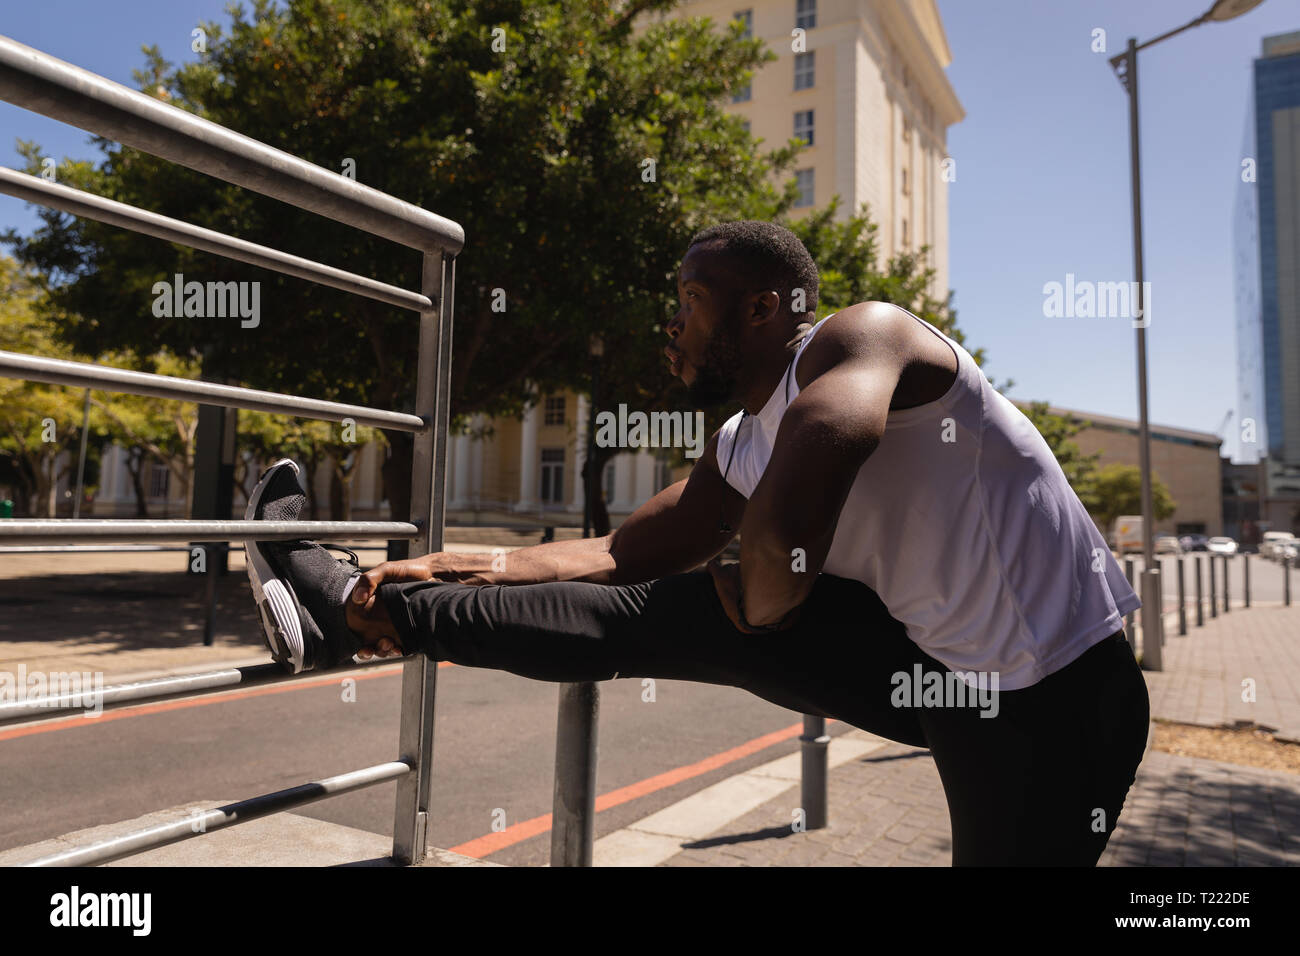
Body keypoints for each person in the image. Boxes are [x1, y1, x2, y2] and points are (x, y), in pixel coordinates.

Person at [244, 220, 1150, 866]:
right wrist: (480, 562)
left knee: (700, 610)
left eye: (690, 299)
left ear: (762, 308)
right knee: (648, 611)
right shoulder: (740, 444)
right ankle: (359, 606)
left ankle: (360, 611)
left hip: (1059, 693)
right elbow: (621, 554)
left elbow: (792, 524)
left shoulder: (861, 336)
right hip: (944, 675)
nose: (670, 323)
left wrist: (744, 601)